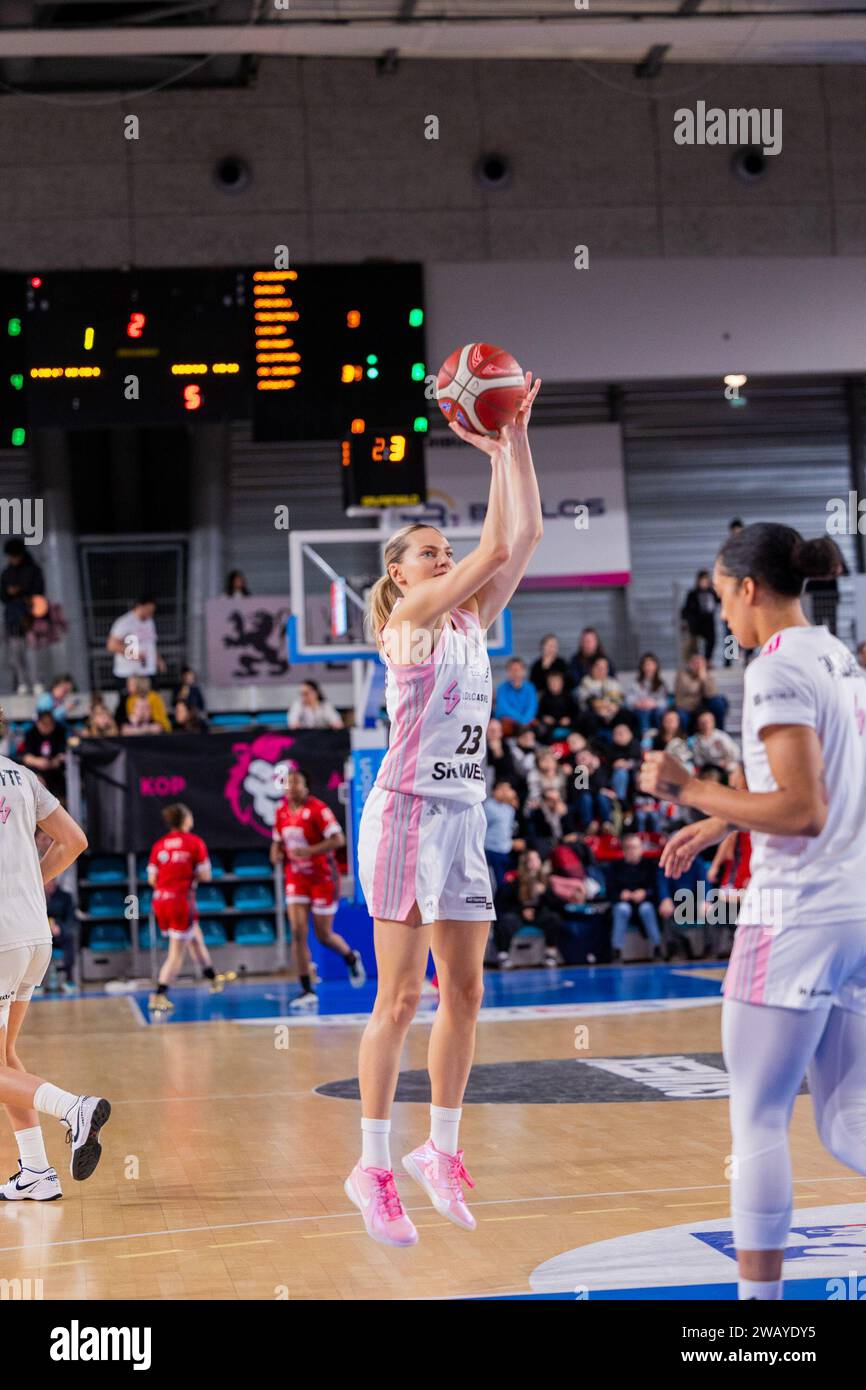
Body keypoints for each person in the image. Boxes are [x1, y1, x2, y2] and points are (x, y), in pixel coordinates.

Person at [639, 520, 866, 1302]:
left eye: (719, 593)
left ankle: (759, 1331)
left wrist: (688, 787)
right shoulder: (838, 656)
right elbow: (829, 782)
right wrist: (724, 820)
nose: (720, 613)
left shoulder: (772, 668)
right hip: (857, 912)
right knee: (848, 1125)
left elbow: (803, 810)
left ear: (746, 588)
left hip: (796, 913)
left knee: (759, 1118)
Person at [351, 369, 542, 1246]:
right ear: (401, 572)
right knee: (396, 1000)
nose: (443, 556)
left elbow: (522, 536)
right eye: (429, 550)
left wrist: (515, 440)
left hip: (463, 818)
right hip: (405, 816)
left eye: (442, 549)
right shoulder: (408, 625)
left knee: (463, 992)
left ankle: (442, 1151)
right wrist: (493, 442)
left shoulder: (469, 624)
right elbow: (496, 548)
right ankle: (372, 1165)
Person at [0, 716, 111, 1201]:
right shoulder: (22, 775)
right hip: (32, 933)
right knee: (4, 1056)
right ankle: (36, 1171)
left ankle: (73, 1108)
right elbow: (75, 840)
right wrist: (30, 891)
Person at [270, 767, 362, 1010]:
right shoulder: (280, 812)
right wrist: (276, 853)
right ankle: (306, 988)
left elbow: (338, 839)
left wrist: (309, 851)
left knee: (323, 935)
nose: (291, 787)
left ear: (306, 787)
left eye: (296, 783)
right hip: (296, 878)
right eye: (288, 783)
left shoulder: (318, 809)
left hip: (322, 878)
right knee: (298, 932)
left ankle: (350, 957)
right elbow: (277, 842)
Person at [147, 804, 235, 1013]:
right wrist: (186, 874)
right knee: (176, 953)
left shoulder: (159, 845)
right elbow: (206, 876)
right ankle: (159, 994)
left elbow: (152, 879)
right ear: (186, 819)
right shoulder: (194, 843)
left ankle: (213, 978)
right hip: (181, 901)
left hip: (160, 900)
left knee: (195, 937)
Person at [607, 832, 663, 962]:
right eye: (629, 847)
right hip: (623, 903)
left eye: (635, 847)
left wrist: (645, 893)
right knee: (622, 909)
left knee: (647, 909)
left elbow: (655, 888)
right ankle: (616, 950)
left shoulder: (650, 866)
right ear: (624, 850)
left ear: (641, 849)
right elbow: (610, 891)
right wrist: (621, 894)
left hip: (645, 902)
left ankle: (657, 946)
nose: (632, 851)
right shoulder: (615, 867)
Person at [1, 539, 44, 695]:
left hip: (31, 615)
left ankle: (37, 681)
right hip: (13, 617)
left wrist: (21, 591)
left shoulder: (33, 570)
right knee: (15, 652)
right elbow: (3, 595)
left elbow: (40, 590)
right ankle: (22, 682)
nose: (13, 559)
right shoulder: (6, 573)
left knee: (32, 651)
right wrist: (10, 592)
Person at [106, 596, 165, 696]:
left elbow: (151, 643)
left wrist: (159, 660)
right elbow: (111, 645)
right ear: (140, 606)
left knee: (151, 700)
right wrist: (134, 654)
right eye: (149, 610)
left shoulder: (149, 621)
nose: (151, 613)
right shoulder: (125, 622)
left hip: (148, 671)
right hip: (128, 673)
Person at [22, 703, 67, 799]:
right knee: (37, 782)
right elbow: (26, 757)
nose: (46, 727)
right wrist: (38, 761)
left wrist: (56, 761)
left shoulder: (60, 731)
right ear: (38, 723)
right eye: (43, 724)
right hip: (36, 770)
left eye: (49, 724)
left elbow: (63, 754)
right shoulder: (31, 733)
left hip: (56, 771)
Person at [674, 651, 728, 732]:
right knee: (682, 716)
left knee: (719, 702)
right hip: (687, 707)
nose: (698, 665)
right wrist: (700, 678)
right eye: (695, 663)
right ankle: (683, 739)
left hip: (701, 706)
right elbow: (690, 689)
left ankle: (720, 732)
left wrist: (703, 678)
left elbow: (711, 693)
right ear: (690, 664)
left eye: (700, 663)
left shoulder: (705, 675)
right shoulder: (682, 674)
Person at [624, 652, 669, 736]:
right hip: (639, 710)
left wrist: (654, 703)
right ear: (642, 667)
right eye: (646, 665)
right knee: (644, 713)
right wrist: (637, 703)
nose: (648, 668)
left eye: (651, 665)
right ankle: (645, 738)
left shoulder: (661, 684)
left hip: (655, 710)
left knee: (658, 713)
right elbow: (628, 700)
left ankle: (658, 736)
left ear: (656, 666)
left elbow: (665, 702)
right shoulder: (634, 682)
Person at [681, 569, 719, 663]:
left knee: (711, 641)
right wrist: (687, 621)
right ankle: (695, 663)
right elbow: (686, 609)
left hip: (709, 621)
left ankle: (707, 660)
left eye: (707, 580)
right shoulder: (693, 594)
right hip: (696, 622)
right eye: (703, 580)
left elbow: (719, 601)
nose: (705, 583)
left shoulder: (712, 592)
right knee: (694, 645)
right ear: (699, 581)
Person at [493, 657, 538, 736]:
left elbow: (532, 707)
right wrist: (521, 720)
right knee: (505, 724)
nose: (516, 673)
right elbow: (503, 709)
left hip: (526, 721)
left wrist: (525, 720)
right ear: (508, 672)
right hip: (510, 723)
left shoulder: (530, 688)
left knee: (539, 726)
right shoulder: (501, 688)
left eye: (518, 670)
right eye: (512, 670)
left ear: (524, 671)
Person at [689, 709, 740, 774]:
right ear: (698, 725)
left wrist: (726, 761)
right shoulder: (696, 740)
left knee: (734, 768)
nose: (705, 725)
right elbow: (698, 760)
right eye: (702, 722)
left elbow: (735, 753)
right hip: (708, 767)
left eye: (707, 722)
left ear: (713, 722)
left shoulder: (722, 736)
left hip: (725, 764)